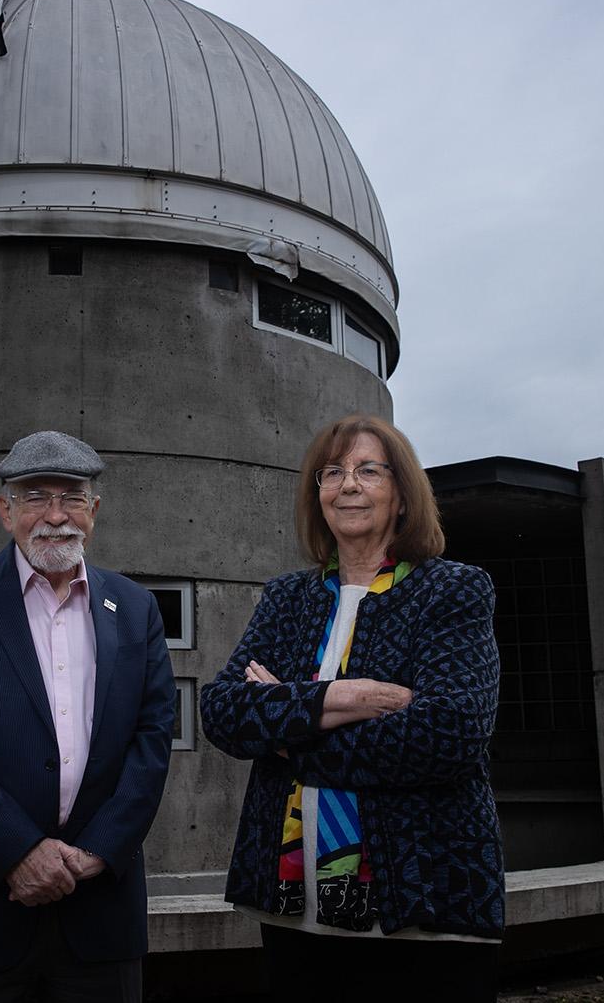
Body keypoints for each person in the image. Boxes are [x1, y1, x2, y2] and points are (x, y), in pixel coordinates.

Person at [199, 414, 504, 1001]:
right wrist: (341, 697)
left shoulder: (452, 589)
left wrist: (288, 734)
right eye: (331, 472)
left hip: (426, 900)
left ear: (402, 494)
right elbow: (223, 712)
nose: (348, 485)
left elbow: (450, 733)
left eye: (369, 470)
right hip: (295, 903)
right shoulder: (289, 596)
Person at [0, 429, 176, 1001]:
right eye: (34, 497)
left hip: (100, 916)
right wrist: (17, 852)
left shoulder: (136, 608)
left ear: (94, 510)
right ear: (5, 511)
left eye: (72, 496)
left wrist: (99, 849)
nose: (56, 515)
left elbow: (153, 737)